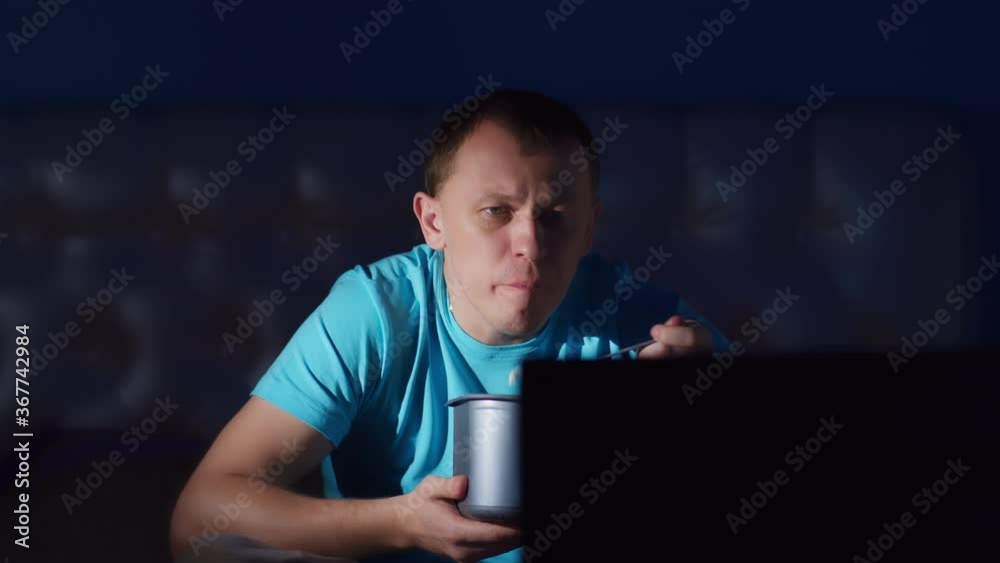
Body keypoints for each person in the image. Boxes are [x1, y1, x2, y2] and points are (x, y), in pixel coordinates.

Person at [169, 89, 729, 563]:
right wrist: (402, 523)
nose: (530, 245)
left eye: (555, 217)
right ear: (433, 222)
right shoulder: (375, 314)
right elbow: (199, 519)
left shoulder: (645, 325)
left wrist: (701, 420)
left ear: (589, 230)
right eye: (496, 212)